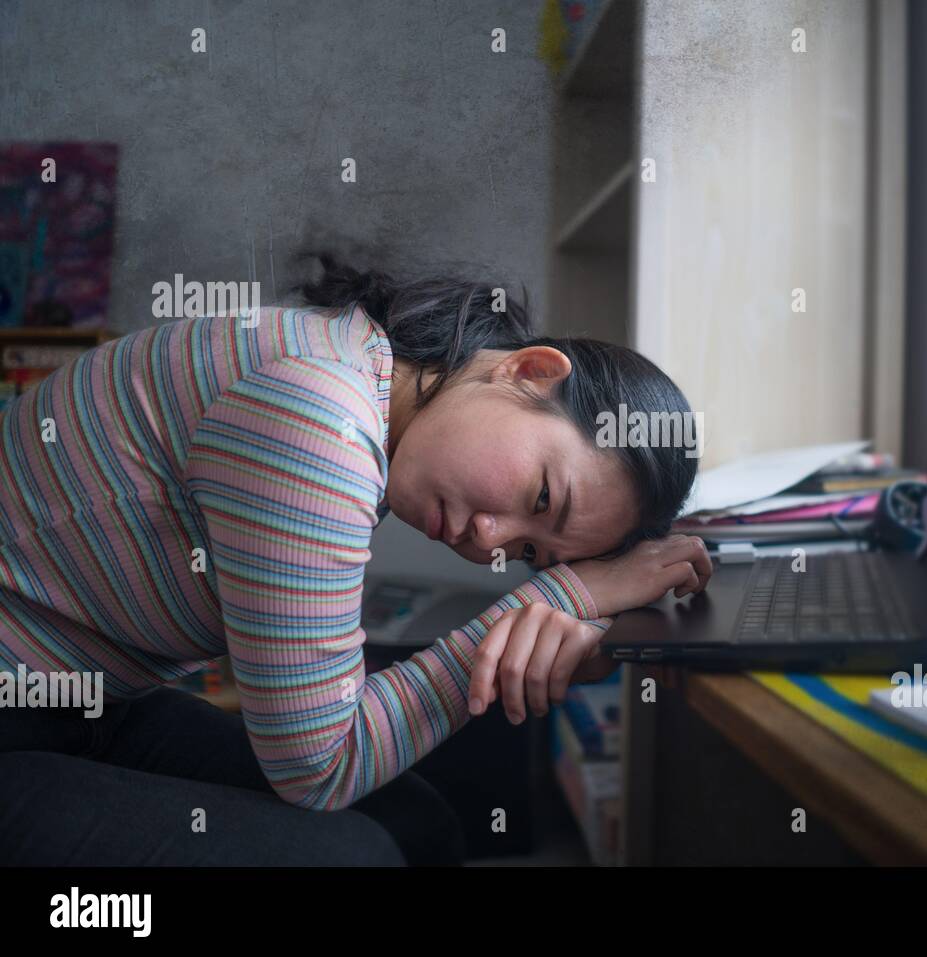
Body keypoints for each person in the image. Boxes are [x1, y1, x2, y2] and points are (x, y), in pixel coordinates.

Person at [0, 252, 711, 865]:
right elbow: (319, 769)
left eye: (531, 552)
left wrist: (575, 597)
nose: (490, 541)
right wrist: (556, 599)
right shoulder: (320, 419)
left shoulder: (356, 364)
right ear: (529, 371)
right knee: (355, 855)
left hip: (82, 700)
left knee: (417, 823)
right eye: (541, 494)